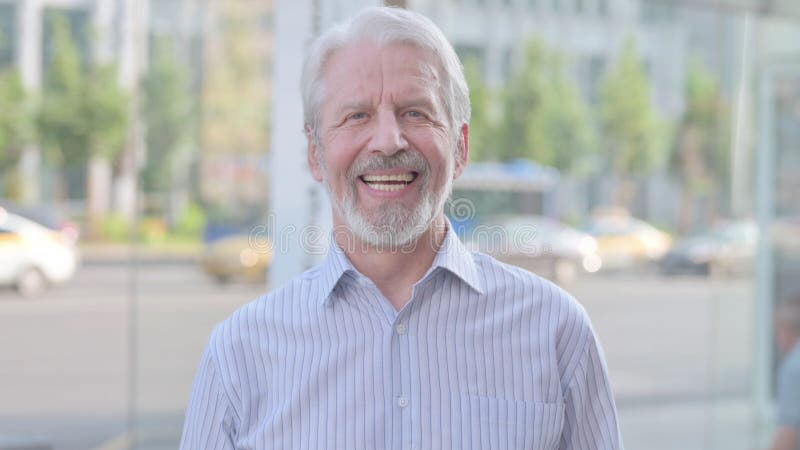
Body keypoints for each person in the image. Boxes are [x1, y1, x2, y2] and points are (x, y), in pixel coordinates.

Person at [180, 6, 622, 449]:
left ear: (461, 146)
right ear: (315, 153)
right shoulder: (239, 354)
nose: (389, 140)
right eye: (357, 116)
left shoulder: (556, 332)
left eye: (415, 113)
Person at [770, 294, 800, 450]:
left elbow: (787, 435)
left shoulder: (794, 366)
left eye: (777, 331)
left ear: (789, 330)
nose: (776, 339)